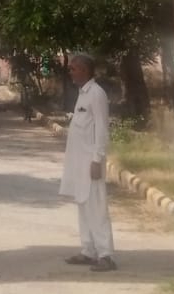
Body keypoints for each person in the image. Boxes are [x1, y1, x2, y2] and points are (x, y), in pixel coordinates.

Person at [59, 52, 116, 272]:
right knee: (83, 205)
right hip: (79, 162)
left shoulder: (96, 94)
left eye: (73, 68)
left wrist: (97, 159)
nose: (71, 72)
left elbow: (102, 129)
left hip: (91, 162)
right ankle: (88, 250)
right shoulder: (83, 94)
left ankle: (106, 255)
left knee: (97, 207)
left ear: (84, 70)